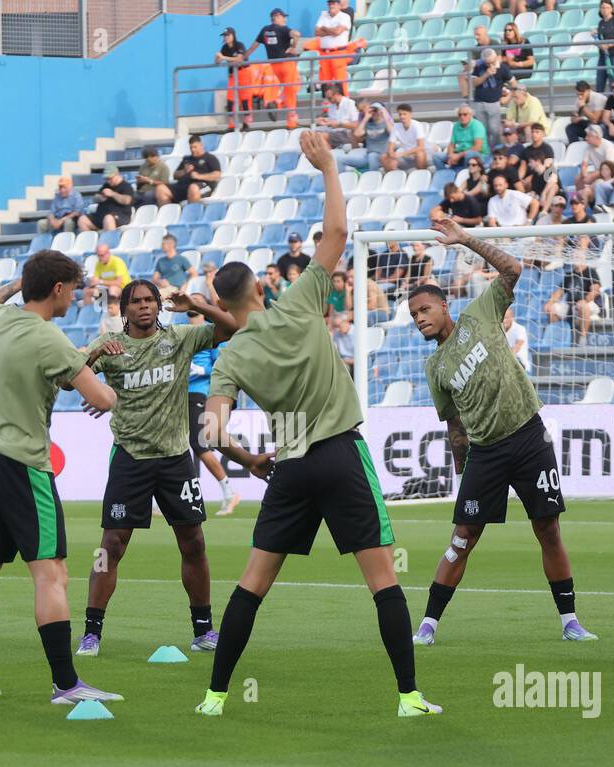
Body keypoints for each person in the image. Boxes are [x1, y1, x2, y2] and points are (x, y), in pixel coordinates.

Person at [193, 130, 441, 719]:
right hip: (340, 454)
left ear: (223, 306)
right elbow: (335, 234)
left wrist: (246, 457)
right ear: (259, 288)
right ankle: (408, 696)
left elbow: (210, 426)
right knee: (382, 578)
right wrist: (328, 166)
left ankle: (214, 696)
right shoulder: (302, 300)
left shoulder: (229, 356)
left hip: (291, 464)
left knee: (252, 584)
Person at [0, 251, 123, 703]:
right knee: (52, 574)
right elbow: (99, 398)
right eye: (74, 287)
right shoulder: (50, 338)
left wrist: (14, 288)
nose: (77, 295)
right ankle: (66, 684)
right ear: (58, 289)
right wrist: (117, 390)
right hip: (24, 464)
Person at [410, 220, 599, 648]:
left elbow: (512, 269)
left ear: (443, 306)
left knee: (547, 529)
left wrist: (466, 240)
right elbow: (455, 425)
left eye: (425, 310)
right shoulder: (434, 367)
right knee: (462, 539)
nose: (420, 319)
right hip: (486, 454)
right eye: (414, 316)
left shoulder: (481, 312)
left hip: (529, 437)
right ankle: (428, 624)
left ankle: (570, 621)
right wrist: (463, 470)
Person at [75, 280, 238, 658]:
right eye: (137, 302)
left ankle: (203, 629)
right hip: (129, 458)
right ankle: (91, 632)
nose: (145, 307)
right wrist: (94, 361)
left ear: (159, 306)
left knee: (193, 542)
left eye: (150, 300)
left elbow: (231, 326)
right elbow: (68, 379)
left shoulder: (180, 338)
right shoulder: (112, 348)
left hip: (175, 457)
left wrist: (196, 302)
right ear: (124, 309)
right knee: (110, 547)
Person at [186, 311, 240, 516]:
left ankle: (229, 492)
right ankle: (173, 496)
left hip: (198, 394)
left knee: (199, 444)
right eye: (189, 312)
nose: (191, 315)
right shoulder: (183, 333)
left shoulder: (211, 334)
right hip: (178, 396)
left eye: (195, 311)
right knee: (175, 446)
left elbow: (222, 364)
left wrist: (201, 370)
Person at [244, 7, 301, 129]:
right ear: (276, 16)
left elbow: (253, 46)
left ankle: (277, 103)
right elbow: (296, 34)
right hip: (287, 63)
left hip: (274, 65)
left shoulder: (265, 30)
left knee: (288, 89)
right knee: (292, 90)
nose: (285, 19)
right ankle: (289, 119)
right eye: (283, 17)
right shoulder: (284, 29)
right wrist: (294, 44)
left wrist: (243, 57)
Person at [470, 49, 513, 148]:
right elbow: (474, 83)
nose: (489, 65)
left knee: (495, 130)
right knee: (482, 130)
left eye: (491, 62)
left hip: (494, 103)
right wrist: (486, 74)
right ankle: (486, 152)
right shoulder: (479, 67)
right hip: (479, 102)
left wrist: (508, 96)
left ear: (496, 58)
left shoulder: (503, 68)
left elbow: (514, 83)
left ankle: (497, 151)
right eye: (487, 63)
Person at [78, 164, 134, 233]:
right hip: (100, 216)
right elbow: (95, 198)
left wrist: (113, 194)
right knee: (82, 220)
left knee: (108, 218)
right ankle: (92, 241)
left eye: (110, 178)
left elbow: (127, 201)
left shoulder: (126, 186)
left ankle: (109, 242)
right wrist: (100, 198)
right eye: (106, 179)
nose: (108, 181)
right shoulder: (106, 186)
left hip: (119, 216)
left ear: (117, 175)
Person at [314, 0, 354, 92]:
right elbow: (316, 32)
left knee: (340, 81)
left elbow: (337, 32)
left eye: (334, 3)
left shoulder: (344, 16)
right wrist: (331, 31)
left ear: (339, 5)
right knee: (325, 82)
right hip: (325, 53)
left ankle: (344, 103)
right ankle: (326, 105)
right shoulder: (323, 15)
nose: (332, 5)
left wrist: (324, 28)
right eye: (330, 3)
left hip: (338, 52)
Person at [216, 27, 252, 131]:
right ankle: (231, 124)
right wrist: (217, 57)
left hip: (244, 72)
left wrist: (224, 58)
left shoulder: (239, 45)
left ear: (233, 35)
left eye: (228, 35)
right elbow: (218, 61)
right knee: (230, 99)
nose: (226, 37)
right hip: (233, 74)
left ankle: (246, 123)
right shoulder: (224, 48)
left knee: (244, 99)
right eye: (224, 36)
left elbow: (240, 59)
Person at [173, 134, 222, 203]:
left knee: (193, 188)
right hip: (185, 186)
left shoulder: (210, 158)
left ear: (201, 145)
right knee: (161, 189)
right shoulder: (186, 159)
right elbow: (175, 175)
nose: (193, 150)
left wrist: (199, 176)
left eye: (195, 147)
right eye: (191, 148)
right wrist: (184, 171)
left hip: (206, 187)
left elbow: (217, 175)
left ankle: (191, 212)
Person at [381, 103, 429, 171]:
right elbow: (390, 147)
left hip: (418, 155)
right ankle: (394, 175)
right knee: (384, 157)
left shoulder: (417, 125)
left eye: (404, 114)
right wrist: (392, 154)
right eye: (400, 114)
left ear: (410, 114)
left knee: (420, 153)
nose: (402, 116)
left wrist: (401, 154)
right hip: (405, 156)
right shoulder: (396, 127)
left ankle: (422, 175)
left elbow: (421, 147)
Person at [317, 82, 360, 147]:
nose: (328, 100)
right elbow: (333, 123)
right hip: (335, 132)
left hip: (346, 133)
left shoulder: (350, 103)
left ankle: (327, 154)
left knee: (321, 136)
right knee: (312, 134)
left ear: (337, 94)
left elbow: (356, 125)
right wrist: (326, 121)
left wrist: (339, 124)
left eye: (330, 98)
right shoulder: (332, 106)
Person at [446, 104, 488, 168]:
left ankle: (465, 172)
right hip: (461, 153)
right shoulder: (456, 126)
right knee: (437, 157)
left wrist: (458, 156)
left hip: (479, 154)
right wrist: (451, 156)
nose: (462, 117)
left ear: (471, 115)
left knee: (469, 154)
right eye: (460, 115)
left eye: (465, 114)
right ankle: (448, 172)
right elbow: (451, 145)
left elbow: (477, 147)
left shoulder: (477, 125)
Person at [503, 305, 531, 373]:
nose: (503, 321)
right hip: (506, 363)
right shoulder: (499, 330)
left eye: (506, 318)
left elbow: (517, 347)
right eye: (502, 318)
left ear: (512, 318)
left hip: (519, 363)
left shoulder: (520, 329)